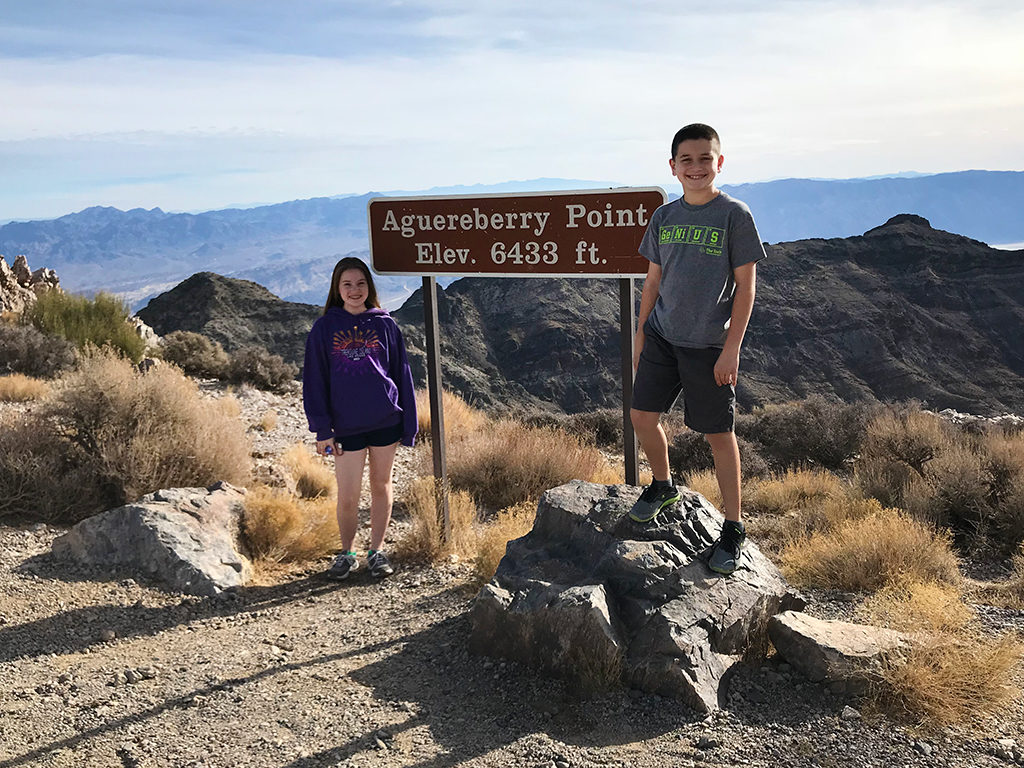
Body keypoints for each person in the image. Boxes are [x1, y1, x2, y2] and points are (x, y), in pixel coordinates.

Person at [628, 123, 767, 576]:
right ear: (673, 167)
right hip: (663, 336)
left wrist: (732, 349)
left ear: (719, 162)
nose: (696, 168)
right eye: (686, 160)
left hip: (709, 345)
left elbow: (746, 289)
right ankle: (663, 484)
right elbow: (653, 279)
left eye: (705, 159)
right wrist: (641, 331)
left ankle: (732, 527)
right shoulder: (664, 218)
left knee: (717, 435)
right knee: (642, 417)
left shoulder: (734, 215)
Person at [303, 256, 417, 580]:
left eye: (361, 283)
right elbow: (314, 381)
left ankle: (377, 551)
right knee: (348, 494)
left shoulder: (386, 324)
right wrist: (322, 429)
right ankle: (347, 553)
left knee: (381, 486)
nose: (355, 290)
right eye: (347, 284)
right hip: (346, 427)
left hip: (386, 422)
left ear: (370, 287)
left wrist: (409, 426)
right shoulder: (324, 329)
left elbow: (403, 374)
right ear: (337, 290)